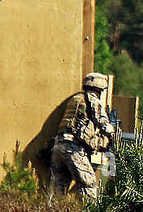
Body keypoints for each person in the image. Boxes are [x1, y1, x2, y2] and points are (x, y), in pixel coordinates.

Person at [49, 72, 117, 200]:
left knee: (58, 189)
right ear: (100, 88)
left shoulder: (75, 99)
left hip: (59, 146)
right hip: (73, 148)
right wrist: (113, 135)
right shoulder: (92, 99)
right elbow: (101, 120)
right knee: (89, 186)